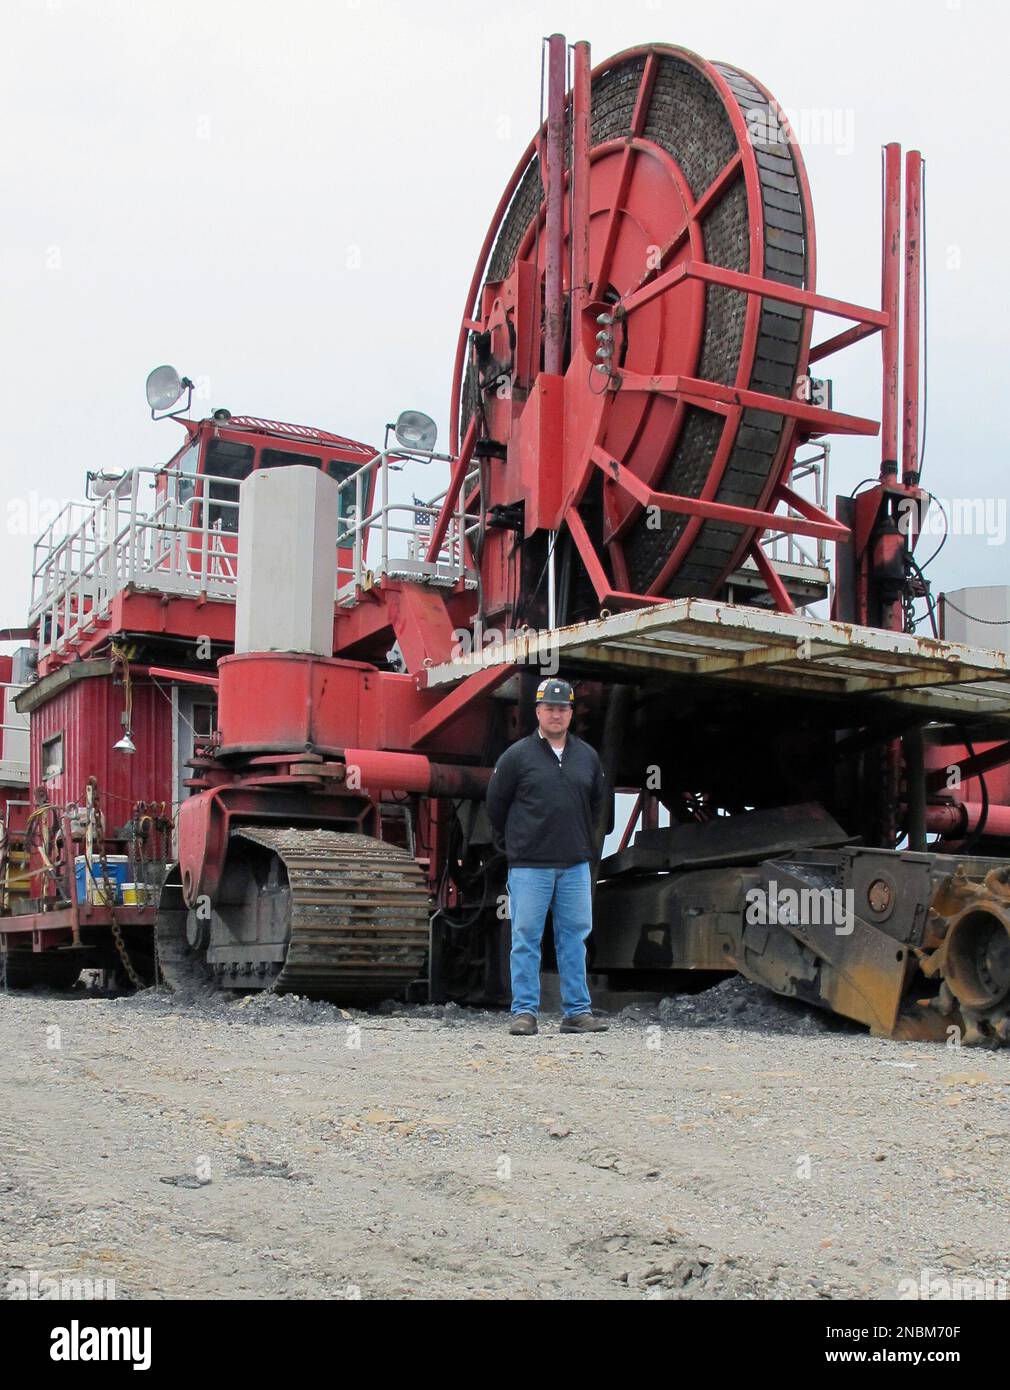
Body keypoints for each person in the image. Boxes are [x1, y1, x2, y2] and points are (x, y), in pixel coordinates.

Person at [485, 677, 608, 1036]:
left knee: (574, 937)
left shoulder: (586, 757)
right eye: (550, 708)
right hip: (530, 865)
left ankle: (577, 1013)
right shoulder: (516, 757)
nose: (556, 714)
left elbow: (599, 804)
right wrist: (516, 844)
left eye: (563, 708)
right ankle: (524, 1013)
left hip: (574, 865)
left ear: (571, 713)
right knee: (526, 937)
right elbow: (496, 804)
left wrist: (585, 844)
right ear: (537, 711)